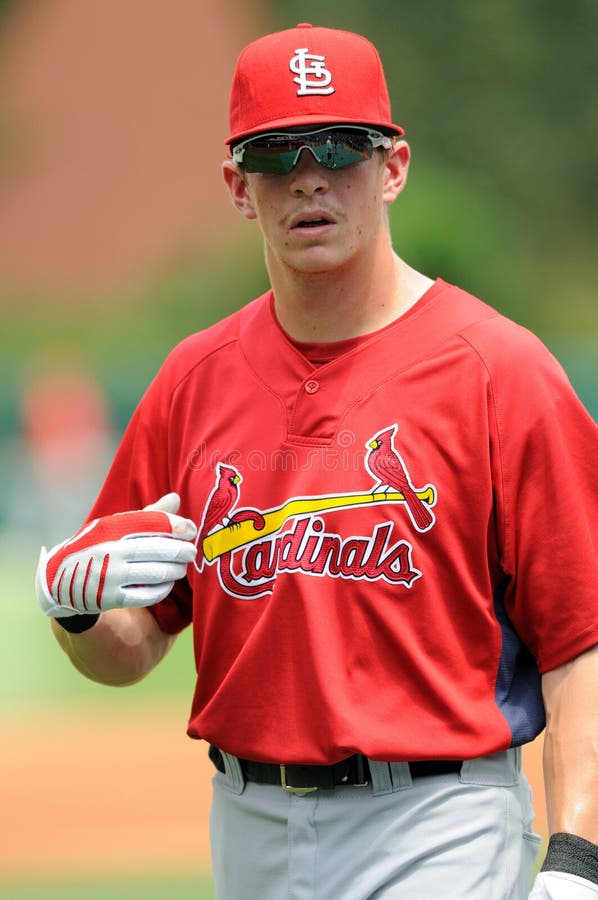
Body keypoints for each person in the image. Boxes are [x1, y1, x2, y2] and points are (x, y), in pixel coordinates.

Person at [35, 23, 597, 900]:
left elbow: (582, 640)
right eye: (275, 153)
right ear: (236, 185)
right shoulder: (194, 379)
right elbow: (134, 645)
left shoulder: (500, 369)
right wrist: (74, 615)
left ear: (395, 167)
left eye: (341, 147)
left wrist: (577, 859)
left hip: (435, 824)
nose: (309, 176)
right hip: (247, 821)